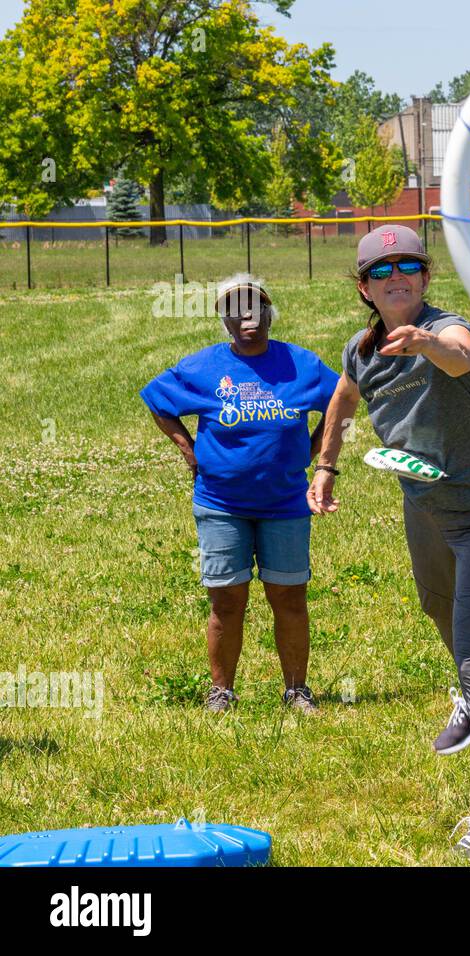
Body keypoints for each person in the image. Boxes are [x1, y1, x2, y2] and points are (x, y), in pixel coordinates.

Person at [308, 224, 470, 857]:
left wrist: (428, 344)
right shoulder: (360, 349)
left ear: (426, 276)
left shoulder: (449, 326)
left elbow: (461, 355)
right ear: (364, 289)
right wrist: (325, 465)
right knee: (437, 605)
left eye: (409, 265)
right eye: (381, 271)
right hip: (427, 502)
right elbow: (343, 401)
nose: (396, 277)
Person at [141, 274, 339, 714]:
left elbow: (341, 400)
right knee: (227, 599)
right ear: (223, 320)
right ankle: (222, 692)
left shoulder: (301, 365)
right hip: (221, 504)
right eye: (236, 309)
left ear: (270, 314)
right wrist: (189, 454)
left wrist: (314, 452)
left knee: (289, 596)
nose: (248, 316)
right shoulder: (202, 367)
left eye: (256, 307)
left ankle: (296, 690)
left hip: (285, 503)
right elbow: (157, 400)